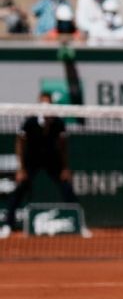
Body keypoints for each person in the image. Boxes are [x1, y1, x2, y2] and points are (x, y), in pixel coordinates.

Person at [0, 93, 81, 239]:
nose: (45, 107)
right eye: (42, 104)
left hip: (52, 159)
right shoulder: (30, 122)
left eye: (48, 104)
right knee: (19, 189)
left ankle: (79, 224)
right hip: (32, 160)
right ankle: (7, 225)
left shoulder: (58, 123)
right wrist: (21, 168)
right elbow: (20, 142)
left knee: (67, 188)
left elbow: (63, 146)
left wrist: (65, 167)